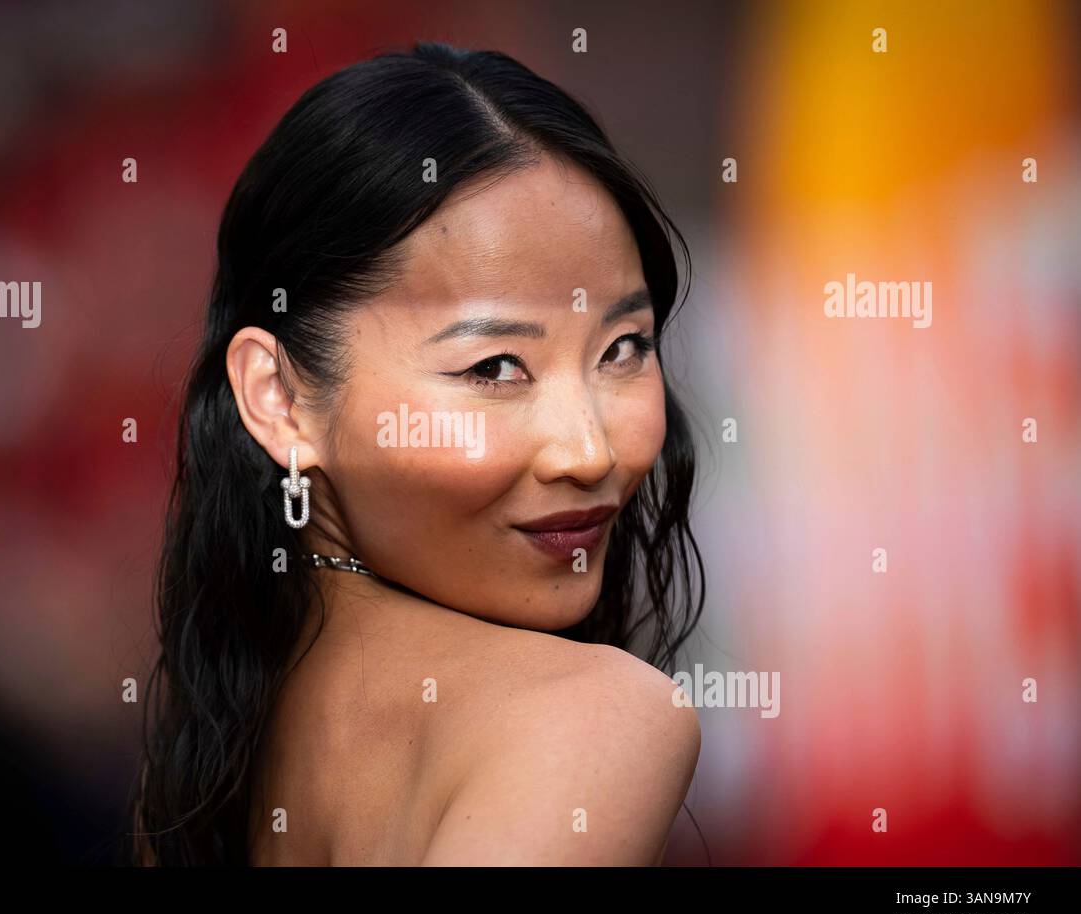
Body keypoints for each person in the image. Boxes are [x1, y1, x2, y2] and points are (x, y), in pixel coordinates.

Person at [132, 40, 705, 866]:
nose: (588, 450)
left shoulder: (215, 746)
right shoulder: (590, 720)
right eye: (495, 367)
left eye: (623, 348)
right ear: (280, 398)